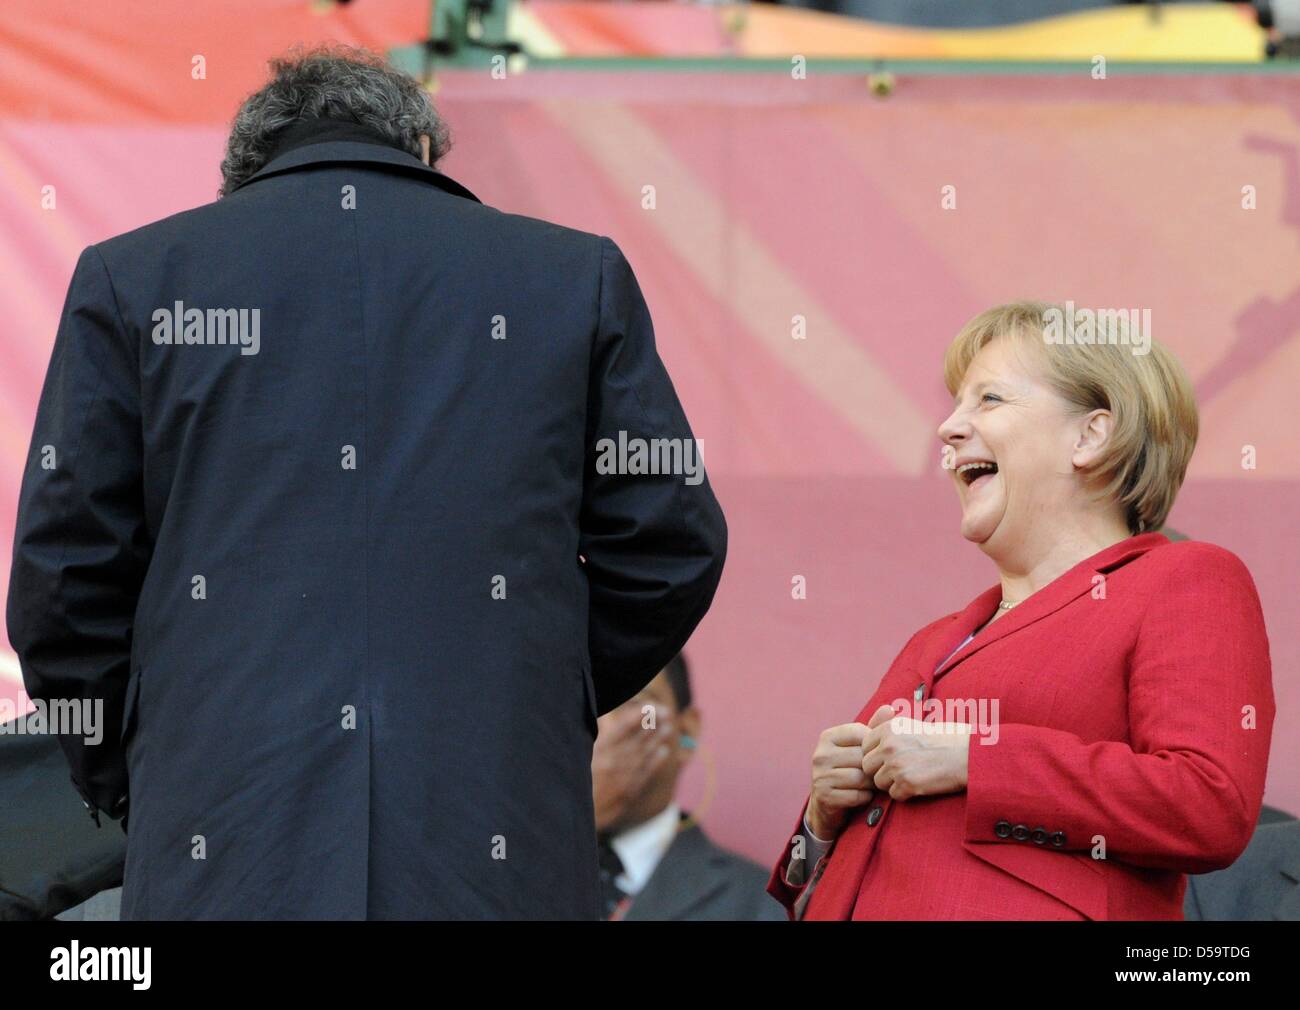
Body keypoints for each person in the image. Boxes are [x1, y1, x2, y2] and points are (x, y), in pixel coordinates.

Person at [7, 45, 727, 920]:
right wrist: (521, 693)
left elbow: (61, 584)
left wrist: (150, 769)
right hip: (496, 849)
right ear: (423, 148)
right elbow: (671, 542)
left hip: (227, 845)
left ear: (245, 173)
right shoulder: (577, 275)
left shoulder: (134, 280)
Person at [767, 301, 1274, 920]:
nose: (948, 428)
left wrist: (977, 758)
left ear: (1091, 435)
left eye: (989, 401)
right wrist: (820, 816)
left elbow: (1209, 806)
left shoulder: (1185, 579)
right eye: (955, 403)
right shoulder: (934, 640)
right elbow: (810, 884)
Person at [590, 653, 785, 921]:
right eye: (584, 705)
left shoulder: (760, 905)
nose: (605, 728)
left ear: (686, 732)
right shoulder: (517, 867)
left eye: (633, 701)